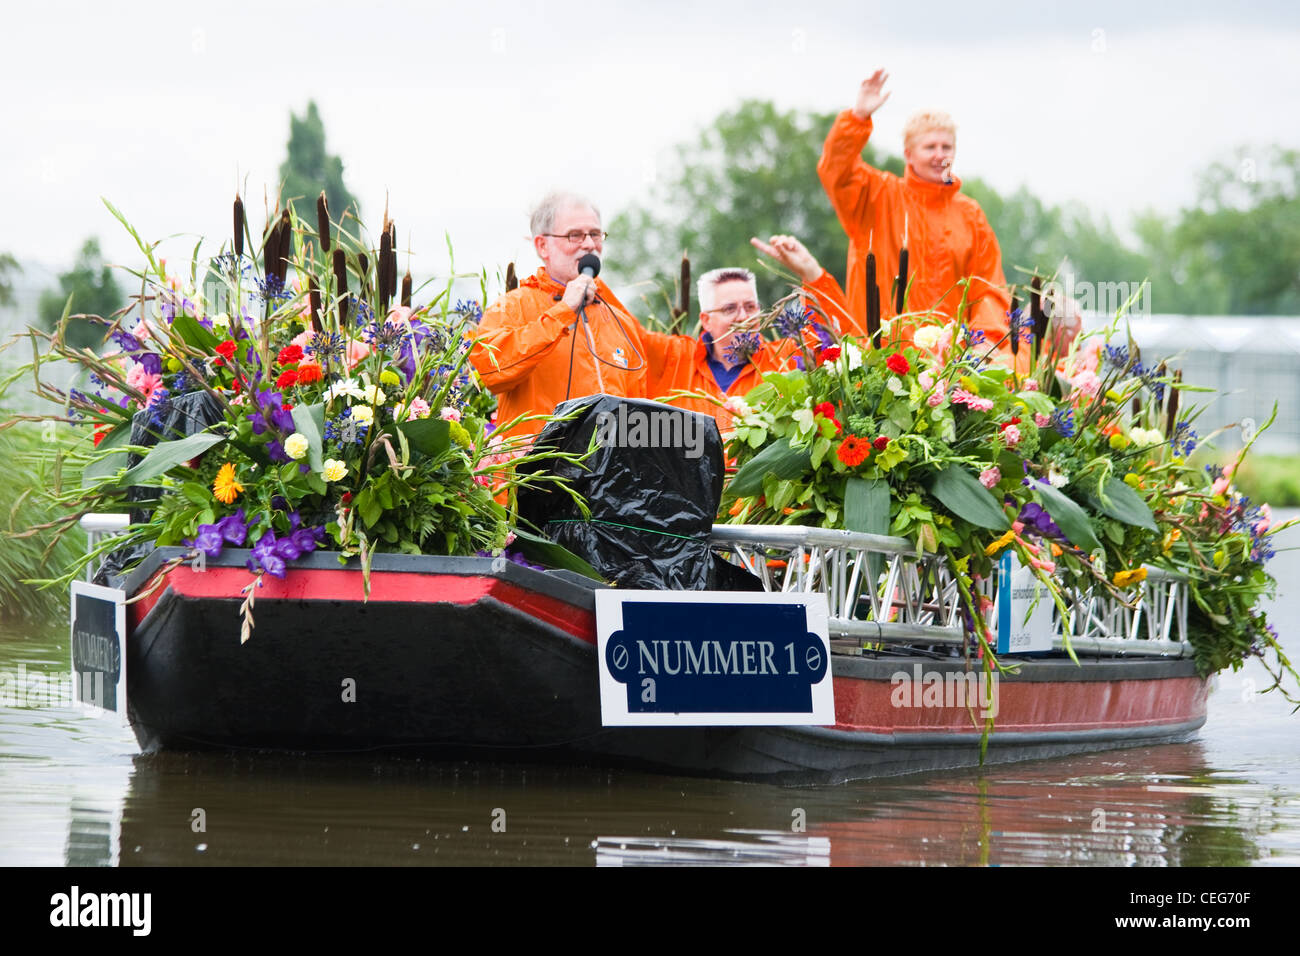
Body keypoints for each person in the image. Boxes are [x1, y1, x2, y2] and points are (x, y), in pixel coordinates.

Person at [818, 69, 1014, 350]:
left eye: (947, 146)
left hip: (949, 372)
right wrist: (856, 119)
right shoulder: (877, 195)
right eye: (929, 146)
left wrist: (985, 344)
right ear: (908, 154)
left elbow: (989, 289)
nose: (939, 155)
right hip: (881, 365)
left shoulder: (971, 215)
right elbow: (835, 169)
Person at [468, 191, 651, 443]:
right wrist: (563, 311)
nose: (589, 244)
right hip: (536, 476)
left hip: (609, 478)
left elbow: (639, 411)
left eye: (595, 234)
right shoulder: (512, 306)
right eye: (574, 235)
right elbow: (492, 372)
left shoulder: (620, 321)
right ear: (543, 246)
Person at [643, 267, 800, 433]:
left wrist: (812, 274)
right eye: (730, 309)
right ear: (706, 320)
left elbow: (823, 342)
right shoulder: (673, 361)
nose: (743, 317)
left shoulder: (785, 358)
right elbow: (624, 332)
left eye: (750, 307)